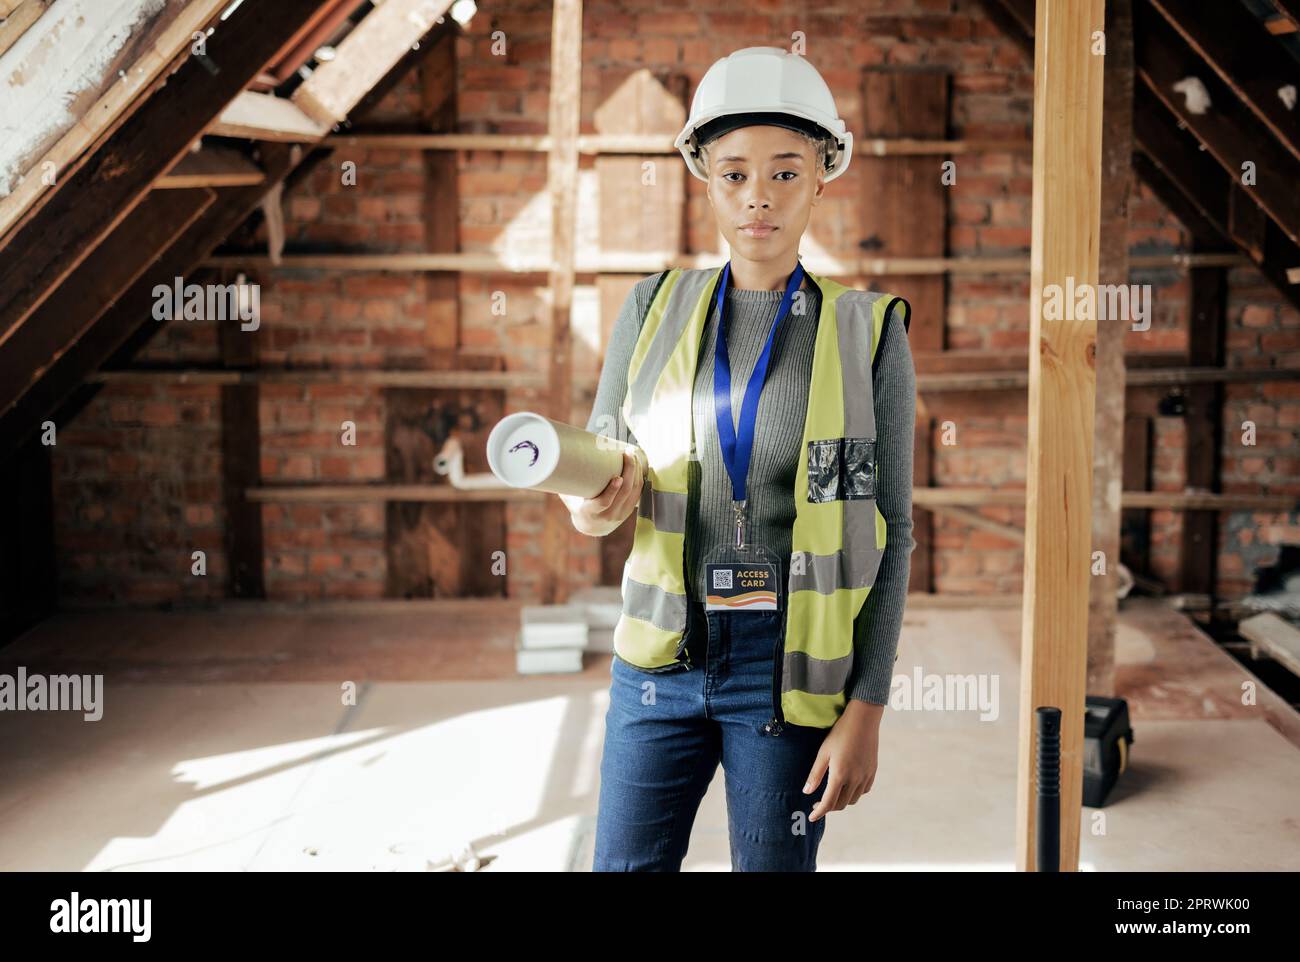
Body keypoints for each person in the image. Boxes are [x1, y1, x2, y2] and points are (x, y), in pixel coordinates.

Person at [564, 47, 917, 871]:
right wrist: (586, 503)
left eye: (786, 172)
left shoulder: (869, 334)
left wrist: (867, 707)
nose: (759, 195)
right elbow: (594, 478)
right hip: (659, 665)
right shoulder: (651, 310)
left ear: (823, 175)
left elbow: (892, 530)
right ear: (705, 179)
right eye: (734, 174)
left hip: (787, 674)